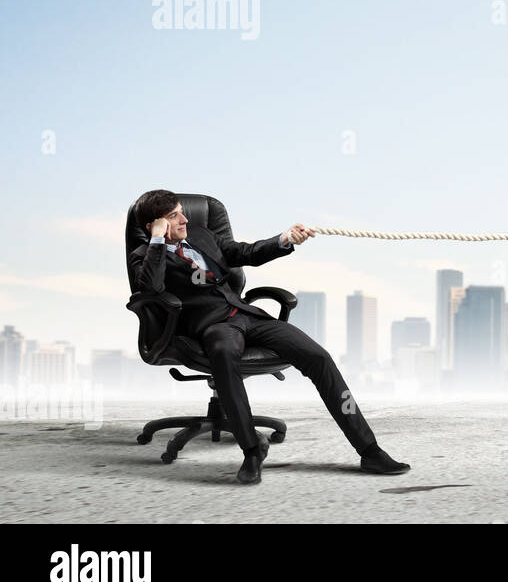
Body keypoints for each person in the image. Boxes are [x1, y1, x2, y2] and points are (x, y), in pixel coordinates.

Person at [128, 189, 410, 484]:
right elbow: (151, 288)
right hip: (212, 327)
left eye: (182, 211)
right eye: (175, 216)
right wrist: (158, 241)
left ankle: (369, 450)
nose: (185, 219)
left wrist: (284, 239)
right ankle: (252, 450)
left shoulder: (201, 234)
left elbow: (243, 253)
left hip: (247, 315)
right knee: (225, 359)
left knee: (318, 357)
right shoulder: (144, 256)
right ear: (154, 226)